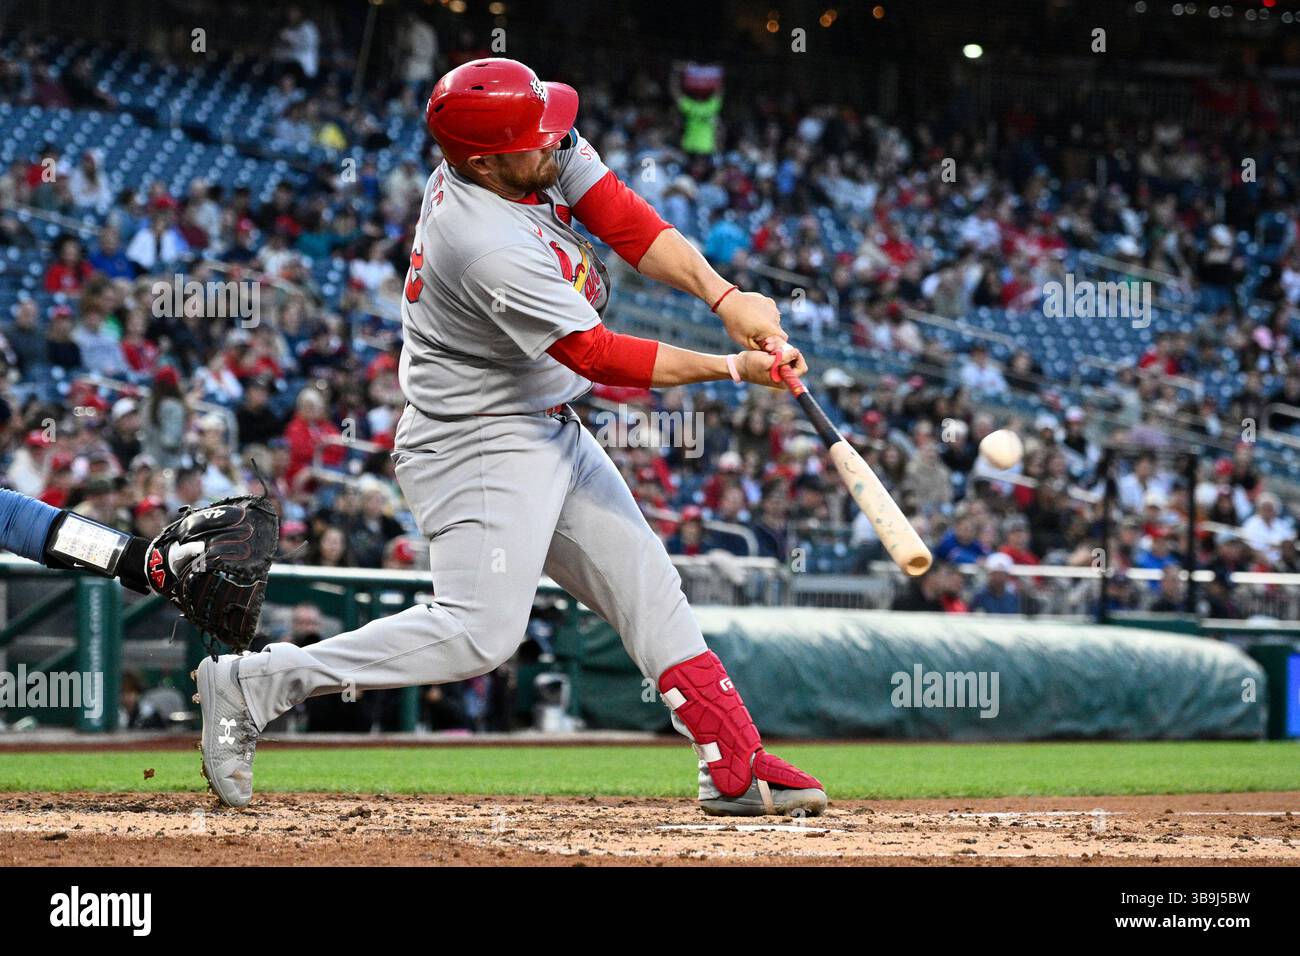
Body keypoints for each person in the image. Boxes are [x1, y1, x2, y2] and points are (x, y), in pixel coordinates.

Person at [193, 59, 825, 817]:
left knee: (650, 591)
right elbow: (595, 355)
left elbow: (623, 216)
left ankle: (734, 760)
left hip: (543, 423)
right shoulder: (482, 240)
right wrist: (731, 366)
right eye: (537, 139)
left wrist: (725, 296)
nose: (555, 146)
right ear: (482, 160)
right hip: (476, 441)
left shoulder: (518, 153)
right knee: (479, 635)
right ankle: (254, 683)